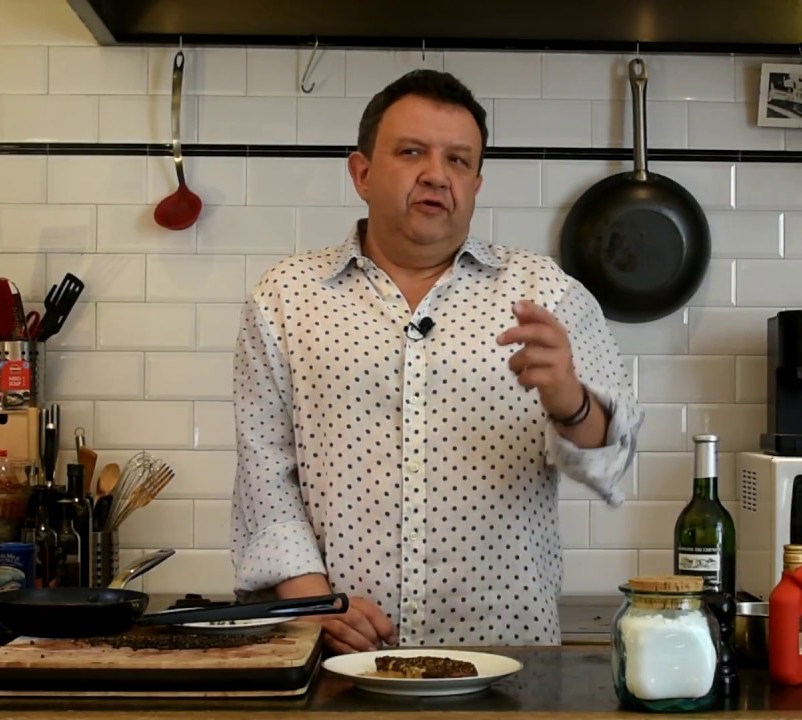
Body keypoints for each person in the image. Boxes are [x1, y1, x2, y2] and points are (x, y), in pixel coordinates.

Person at [230, 68, 643, 654]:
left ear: (476, 182)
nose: (436, 174)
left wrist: (570, 400)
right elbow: (264, 477)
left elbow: (613, 463)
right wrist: (316, 605)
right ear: (362, 173)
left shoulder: (547, 295)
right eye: (412, 152)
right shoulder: (285, 299)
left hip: (505, 658)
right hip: (342, 660)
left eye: (457, 160)